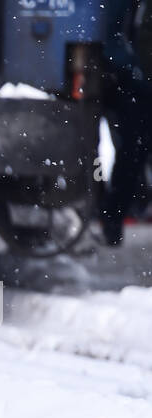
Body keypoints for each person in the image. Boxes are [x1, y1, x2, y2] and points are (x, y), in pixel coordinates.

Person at [101, 0, 152, 245]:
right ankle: (113, 217)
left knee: (133, 151)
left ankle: (115, 216)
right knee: (132, 151)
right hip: (134, 83)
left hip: (135, 80)